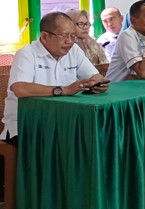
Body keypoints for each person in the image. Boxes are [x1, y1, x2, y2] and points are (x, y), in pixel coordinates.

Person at [2, 12, 108, 158]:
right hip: (27, 126)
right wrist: (64, 90)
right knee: (69, 149)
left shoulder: (74, 51)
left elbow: (95, 76)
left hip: (64, 122)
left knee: (97, 140)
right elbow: (20, 88)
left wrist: (99, 83)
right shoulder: (26, 54)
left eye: (73, 36)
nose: (70, 41)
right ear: (45, 36)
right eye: (64, 36)